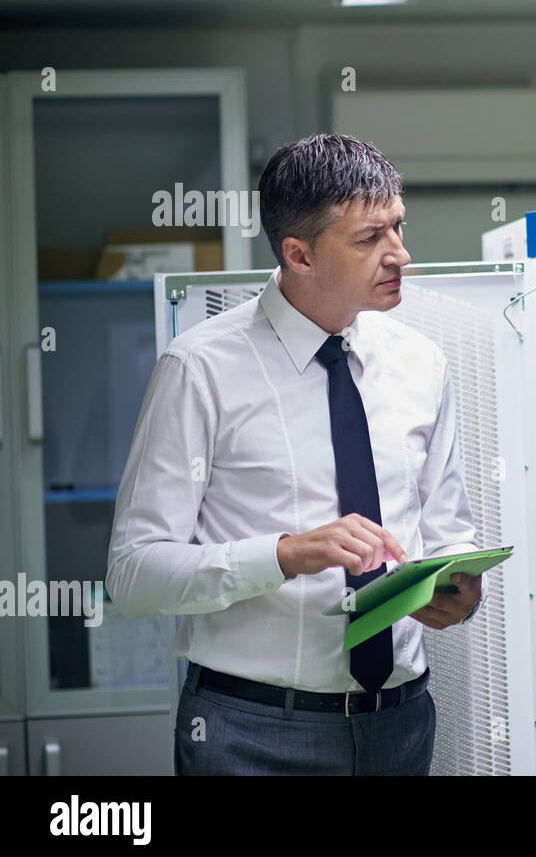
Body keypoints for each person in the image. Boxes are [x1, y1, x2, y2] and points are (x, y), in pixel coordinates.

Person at [106, 133, 483, 775]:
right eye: (369, 239)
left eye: (398, 227)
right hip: (252, 734)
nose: (400, 255)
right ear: (298, 254)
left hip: (401, 724)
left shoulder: (422, 363)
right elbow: (134, 576)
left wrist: (456, 592)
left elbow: (448, 535)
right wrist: (283, 555)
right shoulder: (200, 368)